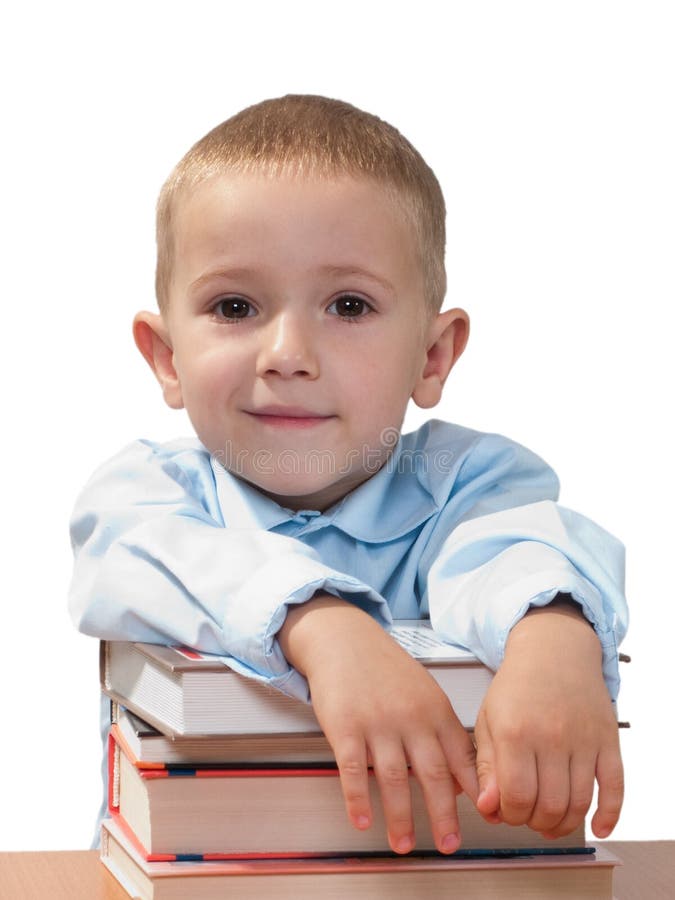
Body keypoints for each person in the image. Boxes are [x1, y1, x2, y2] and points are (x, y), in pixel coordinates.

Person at [69, 94, 627, 856]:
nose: (287, 353)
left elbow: (517, 546)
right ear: (167, 358)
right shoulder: (145, 496)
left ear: (432, 357)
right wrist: (319, 624)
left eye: (348, 304)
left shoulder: (463, 480)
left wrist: (552, 638)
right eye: (235, 306)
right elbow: (139, 557)